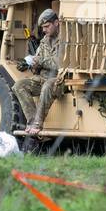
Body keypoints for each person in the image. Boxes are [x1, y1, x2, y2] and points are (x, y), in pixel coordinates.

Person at [14, 7, 61, 135]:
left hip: (60, 80)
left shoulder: (65, 40)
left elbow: (59, 63)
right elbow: (39, 61)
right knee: (19, 86)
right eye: (43, 28)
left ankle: (37, 124)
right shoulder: (44, 41)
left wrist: (40, 61)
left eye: (47, 26)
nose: (44, 30)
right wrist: (32, 64)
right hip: (42, 78)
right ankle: (32, 120)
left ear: (56, 23)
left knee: (47, 86)